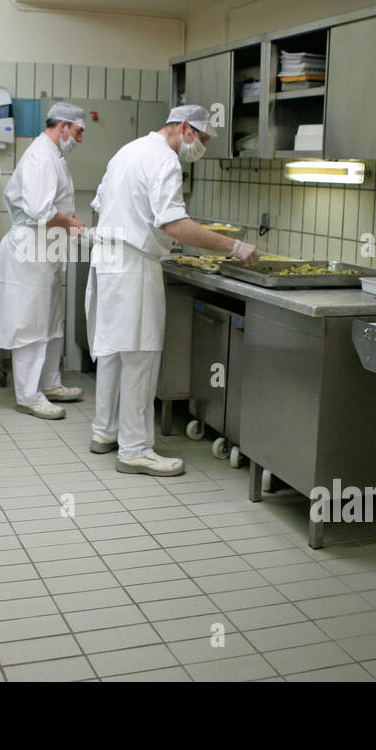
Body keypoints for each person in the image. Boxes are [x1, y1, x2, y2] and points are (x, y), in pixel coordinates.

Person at [86, 105, 257, 477]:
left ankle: (104, 431)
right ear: (185, 127)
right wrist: (233, 246)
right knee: (140, 356)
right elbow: (176, 224)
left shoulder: (127, 151)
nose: (202, 147)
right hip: (133, 266)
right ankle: (134, 450)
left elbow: (98, 207)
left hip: (107, 260)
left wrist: (136, 228)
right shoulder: (165, 160)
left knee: (113, 351)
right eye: (203, 138)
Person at [0, 103, 86, 420]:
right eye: (78, 131)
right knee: (30, 323)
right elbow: (40, 211)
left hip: (44, 250)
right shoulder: (41, 156)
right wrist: (71, 223)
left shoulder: (53, 156)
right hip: (29, 248)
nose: (80, 139)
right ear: (63, 126)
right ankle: (29, 396)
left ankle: (50, 384)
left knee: (50, 320)